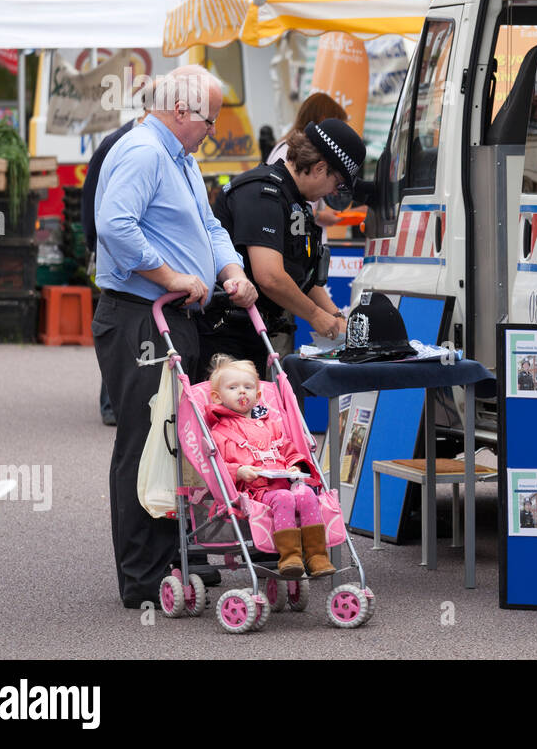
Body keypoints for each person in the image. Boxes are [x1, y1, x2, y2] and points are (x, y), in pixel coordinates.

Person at [93, 64, 259, 608]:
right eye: (209, 121)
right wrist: (170, 275)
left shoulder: (178, 157)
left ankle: (171, 556)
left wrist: (230, 270)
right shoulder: (145, 151)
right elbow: (116, 226)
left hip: (170, 315)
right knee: (145, 442)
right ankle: (142, 577)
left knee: (175, 440)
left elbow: (209, 228)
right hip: (143, 313)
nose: (210, 131)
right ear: (182, 111)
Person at [198, 119, 366, 376]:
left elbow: (305, 280)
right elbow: (270, 277)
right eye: (338, 183)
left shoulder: (295, 200)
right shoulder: (263, 193)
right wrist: (315, 316)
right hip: (225, 335)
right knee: (231, 414)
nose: (333, 192)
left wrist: (335, 316)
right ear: (320, 168)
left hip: (254, 329)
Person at [205, 355, 335, 579]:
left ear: (258, 395)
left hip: (284, 481)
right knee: (283, 498)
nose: (242, 392)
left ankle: (316, 556)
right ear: (217, 397)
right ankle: (290, 556)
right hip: (257, 491)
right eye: (233, 387)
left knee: (306, 494)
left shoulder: (271, 425)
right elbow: (216, 467)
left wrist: (295, 466)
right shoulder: (220, 432)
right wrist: (239, 471)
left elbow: (288, 449)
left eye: (248, 387)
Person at [81, 110, 148, 426]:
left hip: (133, 254)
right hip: (112, 253)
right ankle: (111, 404)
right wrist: (94, 246)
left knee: (128, 332)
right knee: (117, 328)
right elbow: (92, 195)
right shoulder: (117, 142)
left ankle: (119, 401)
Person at [267, 92, 350, 248]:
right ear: (324, 119)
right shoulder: (288, 153)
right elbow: (283, 204)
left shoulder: (286, 147)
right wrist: (318, 216)